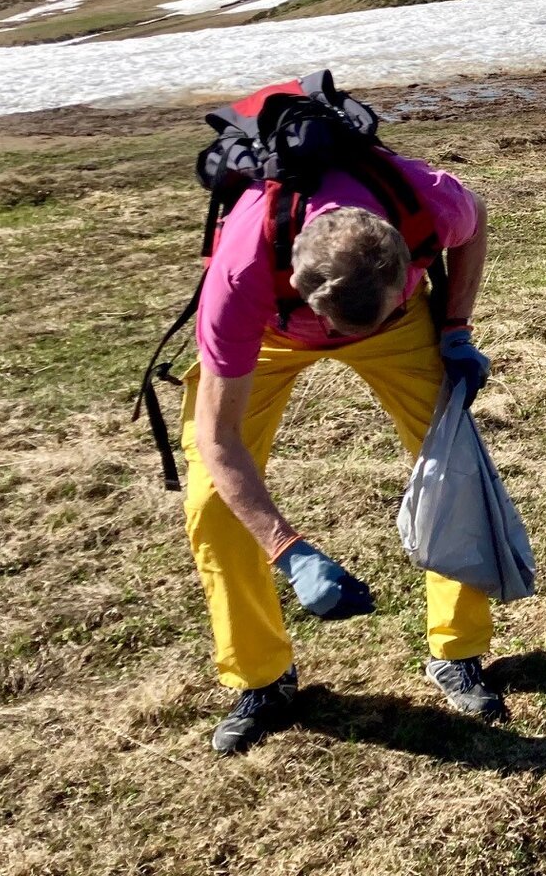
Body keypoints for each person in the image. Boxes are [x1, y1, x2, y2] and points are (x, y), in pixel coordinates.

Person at [181, 152, 502, 754]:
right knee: (213, 504)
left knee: (453, 463)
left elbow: (477, 218)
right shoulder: (241, 277)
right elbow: (218, 440)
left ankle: (456, 650)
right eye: (341, 327)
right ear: (302, 287)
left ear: (406, 264)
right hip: (275, 331)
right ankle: (263, 679)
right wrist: (288, 549)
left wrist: (455, 328)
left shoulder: (424, 203)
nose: (346, 343)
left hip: (398, 324)